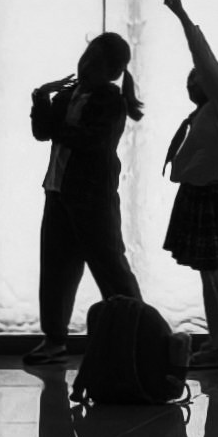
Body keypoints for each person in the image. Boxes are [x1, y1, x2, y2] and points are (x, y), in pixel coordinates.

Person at [26, 31, 143, 363]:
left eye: (96, 61)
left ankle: (137, 335)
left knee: (110, 268)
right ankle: (54, 340)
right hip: (58, 191)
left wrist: (57, 123)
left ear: (112, 71)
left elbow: (90, 141)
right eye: (87, 56)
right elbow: (41, 132)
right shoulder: (69, 95)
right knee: (55, 269)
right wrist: (40, 98)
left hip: (94, 197)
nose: (86, 64)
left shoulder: (111, 100)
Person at [157, 0, 218, 374]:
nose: (193, 80)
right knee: (209, 275)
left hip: (216, 194)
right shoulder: (206, 114)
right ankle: (216, 342)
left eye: (200, 77)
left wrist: (183, 18)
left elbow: (204, 58)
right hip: (200, 193)